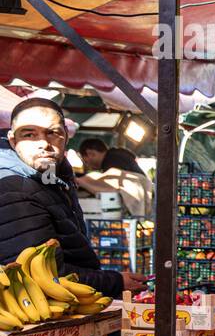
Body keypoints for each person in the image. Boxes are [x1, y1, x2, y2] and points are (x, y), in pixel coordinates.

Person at [0, 98, 146, 295]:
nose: (44, 143)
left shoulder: (53, 176)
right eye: (29, 134)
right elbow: (43, 275)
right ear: (12, 140)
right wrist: (115, 282)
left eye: (53, 133)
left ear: (66, 136)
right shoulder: (14, 189)